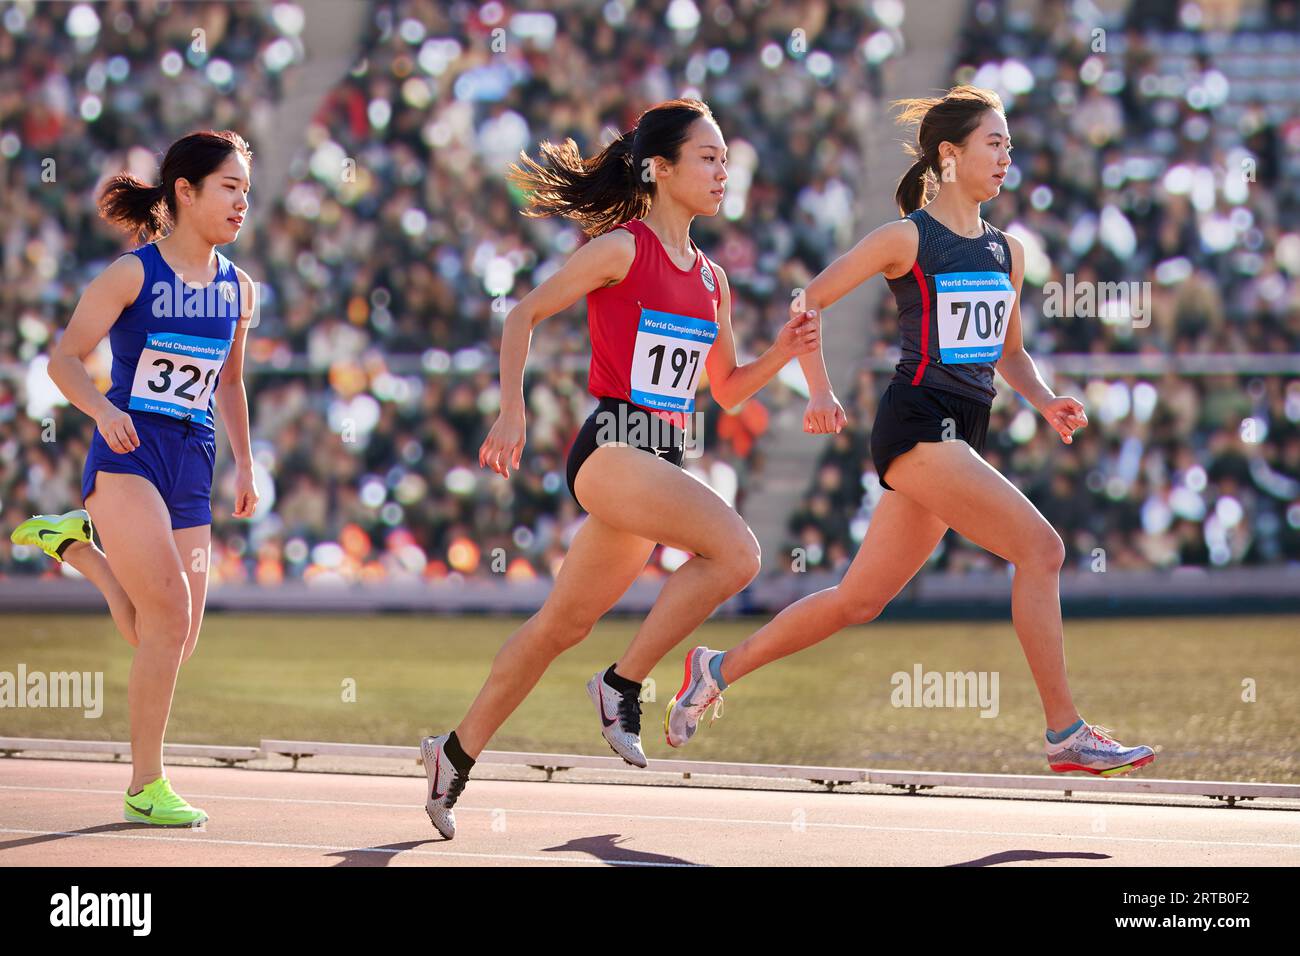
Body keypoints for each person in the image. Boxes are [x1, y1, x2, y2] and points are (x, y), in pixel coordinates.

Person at [663, 87, 1156, 779]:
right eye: (995, 142)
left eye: (1009, 143)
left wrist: (1045, 400)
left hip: (963, 433)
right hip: (919, 425)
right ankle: (1064, 732)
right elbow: (810, 298)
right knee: (1042, 550)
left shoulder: (1006, 251)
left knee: (858, 601)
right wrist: (822, 389)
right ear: (949, 156)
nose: (1007, 155)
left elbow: (1008, 352)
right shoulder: (908, 237)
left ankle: (716, 667)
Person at [421, 99, 825, 839]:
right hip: (612, 445)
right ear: (660, 169)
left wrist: (785, 354)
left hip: (658, 457)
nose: (721, 170)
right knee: (737, 553)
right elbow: (522, 316)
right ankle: (622, 683)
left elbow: (728, 389)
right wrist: (511, 409)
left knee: (560, 625)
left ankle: (452, 755)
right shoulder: (620, 250)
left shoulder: (712, 281)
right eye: (707, 157)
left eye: (725, 158)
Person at [11, 130, 261, 825]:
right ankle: (145, 784)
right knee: (169, 618)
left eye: (247, 190)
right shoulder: (132, 274)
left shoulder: (239, 290)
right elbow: (63, 359)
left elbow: (231, 381)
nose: (244, 202)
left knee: (172, 635)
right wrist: (99, 408)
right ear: (186, 191)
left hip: (194, 459)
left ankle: (78, 550)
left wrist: (246, 460)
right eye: (230, 187)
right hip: (128, 454)